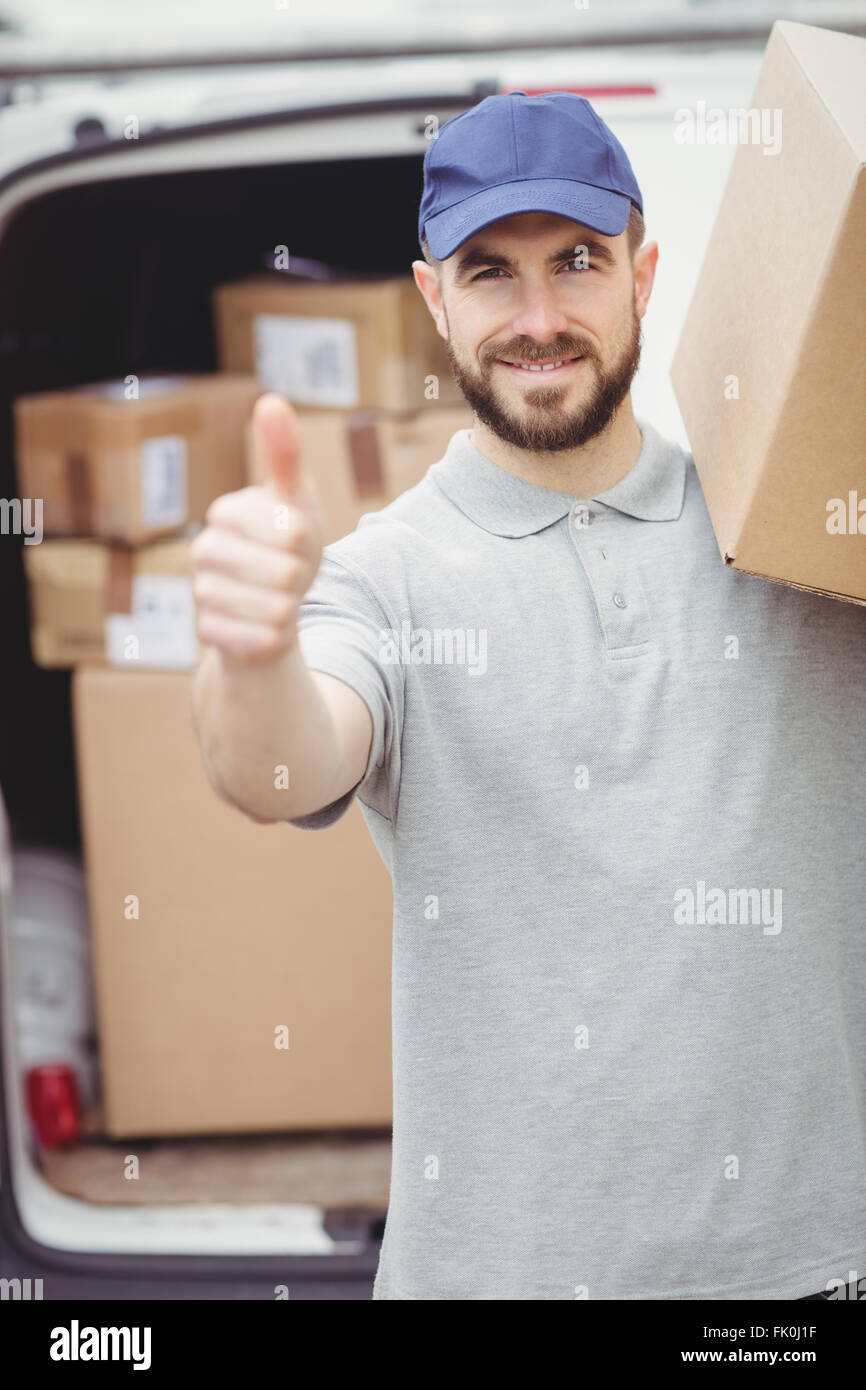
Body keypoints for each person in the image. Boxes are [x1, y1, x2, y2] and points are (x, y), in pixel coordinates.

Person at [190, 92, 866, 1300]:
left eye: (576, 262)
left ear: (642, 275)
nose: (540, 317)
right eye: (490, 272)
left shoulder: (792, 532)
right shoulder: (381, 580)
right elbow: (282, 765)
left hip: (808, 1279)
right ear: (432, 298)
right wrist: (247, 656)